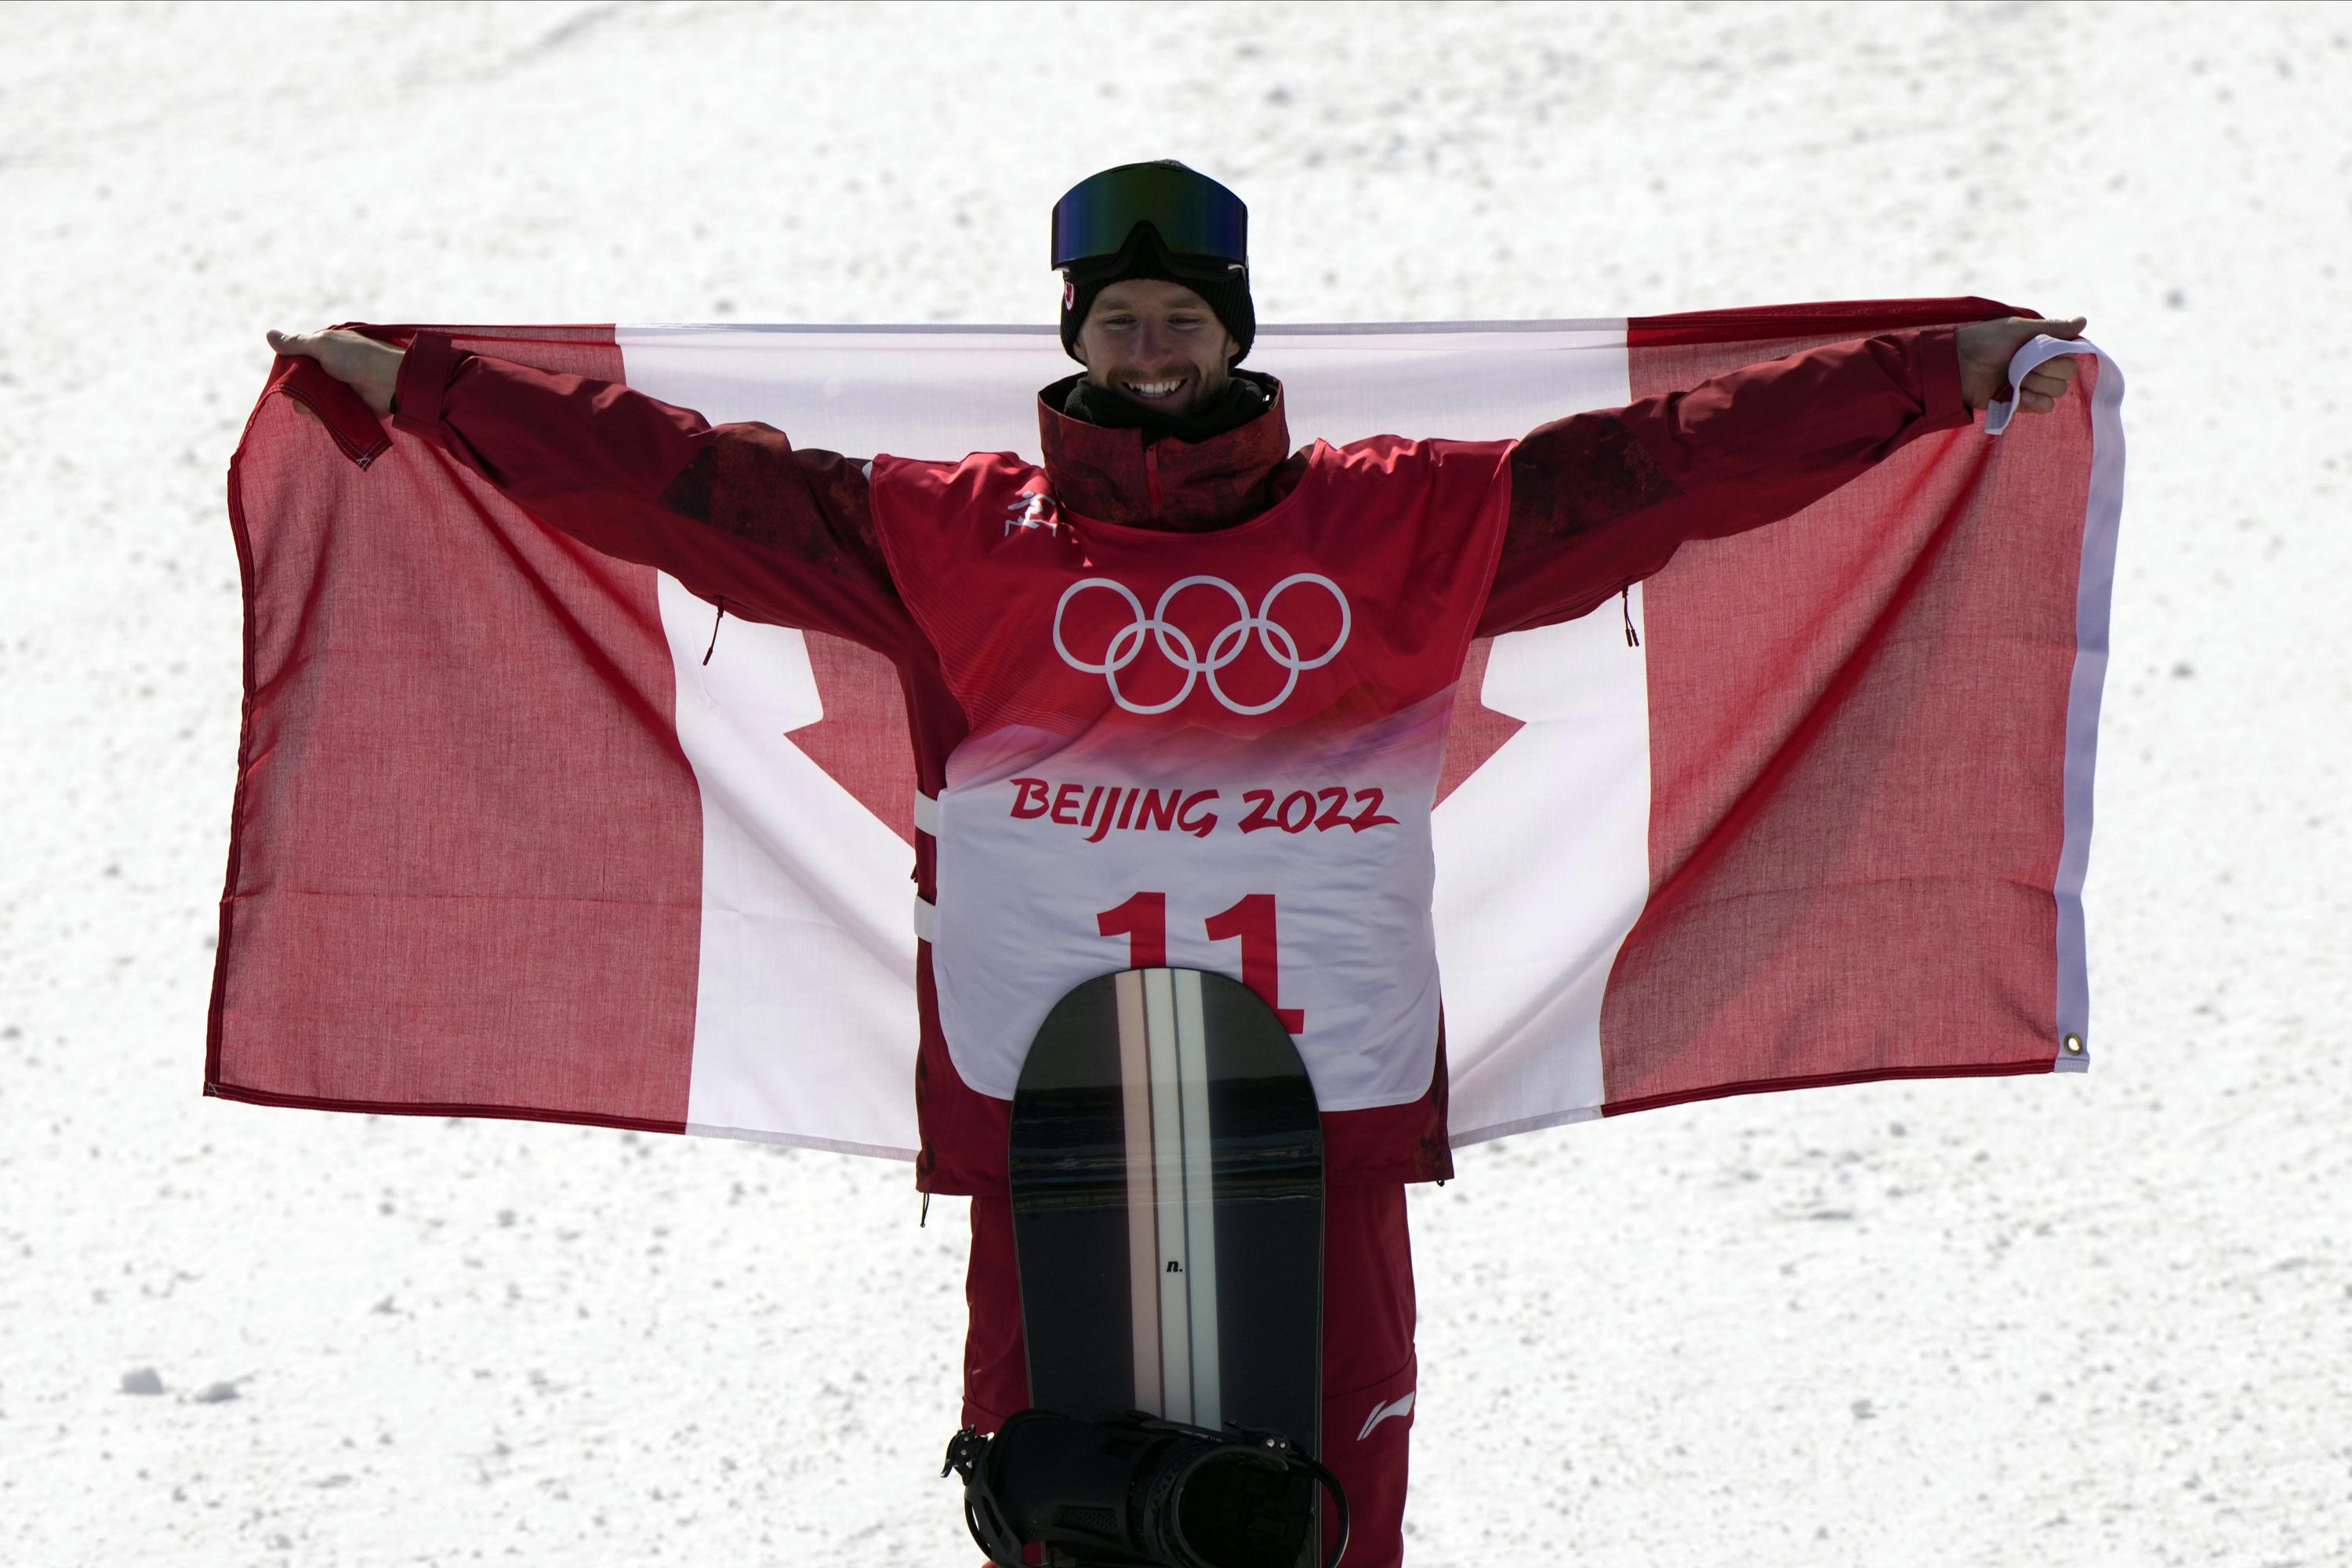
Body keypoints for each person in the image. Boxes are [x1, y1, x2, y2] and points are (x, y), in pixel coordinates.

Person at [270, 160, 2085, 1567]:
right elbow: (685, 493)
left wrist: (1917, 380)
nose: (1151, 352)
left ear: (1232, 332)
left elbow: (1657, 473)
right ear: (1077, 341)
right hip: (1053, 1103)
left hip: (1313, 1098)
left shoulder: (1396, 523)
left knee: (1328, 1501)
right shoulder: (952, 540)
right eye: (1119, 324)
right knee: (1052, 1486)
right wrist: (430, 391)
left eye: (1178, 322)